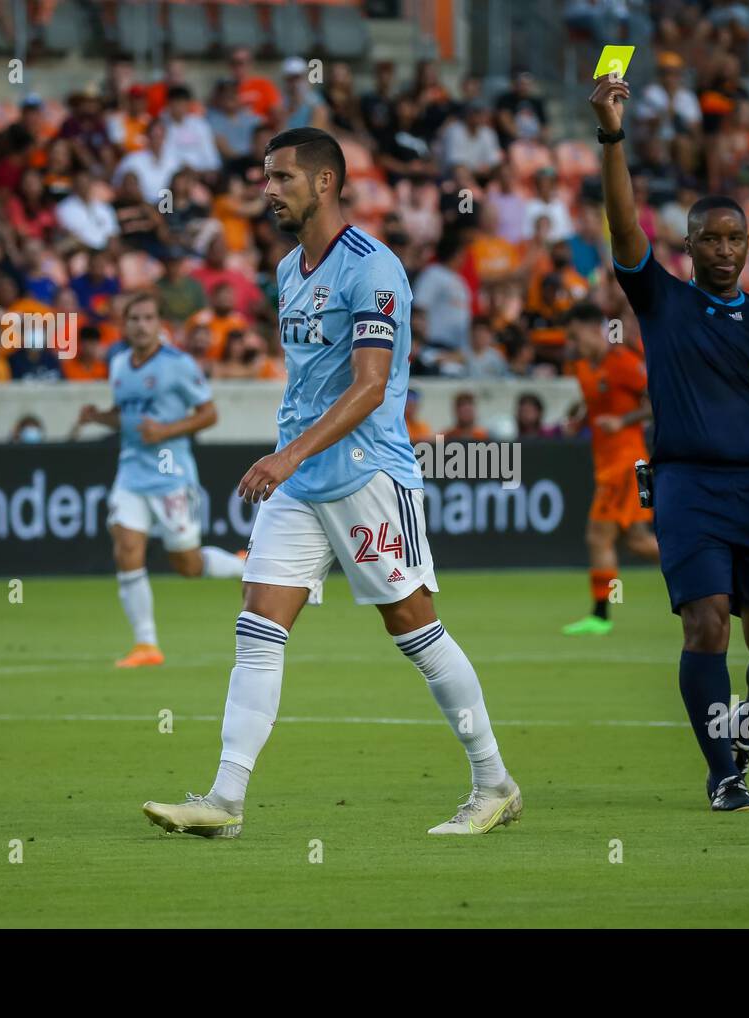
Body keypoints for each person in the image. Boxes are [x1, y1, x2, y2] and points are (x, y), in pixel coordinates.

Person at [142, 128, 520, 839]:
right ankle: (224, 802)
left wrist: (286, 456)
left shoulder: (372, 268)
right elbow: (308, 381)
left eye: (281, 177)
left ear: (323, 183)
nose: (267, 190)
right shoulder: (289, 269)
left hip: (368, 474)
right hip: (301, 481)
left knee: (414, 626)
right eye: (264, 177)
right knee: (257, 626)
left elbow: (372, 386)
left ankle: (493, 782)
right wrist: (290, 458)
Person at [591, 74, 749, 812]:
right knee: (708, 621)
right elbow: (624, 225)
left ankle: (743, 738)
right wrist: (611, 134)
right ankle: (723, 774)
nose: (723, 250)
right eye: (709, 239)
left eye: (735, 238)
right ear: (689, 246)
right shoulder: (663, 300)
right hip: (688, 485)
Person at [77, 293, 246, 669]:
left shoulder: (179, 365)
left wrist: (167, 429)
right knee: (126, 547)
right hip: (132, 472)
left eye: (148, 318)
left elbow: (209, 414)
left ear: (159, 325)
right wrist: (99, 418)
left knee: (186, 564)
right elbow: (126, 415)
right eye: (134, 318)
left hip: (172, 474)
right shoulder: (118, 363)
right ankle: (146, 645)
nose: (141, 325)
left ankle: (242, 566)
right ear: (125, 324)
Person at [562, 302, 658, 637]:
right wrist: (578, 418)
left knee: (597, 535)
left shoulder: (624, 363)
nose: (571, 343)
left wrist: (622, 421)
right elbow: (596, 399)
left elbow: (656, 402)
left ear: (593, 328)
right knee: (638, 542)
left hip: (627, 462)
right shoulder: (584, 366)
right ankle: (705, 572)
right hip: (611, 464)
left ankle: (601, 616)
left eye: (575, 336)